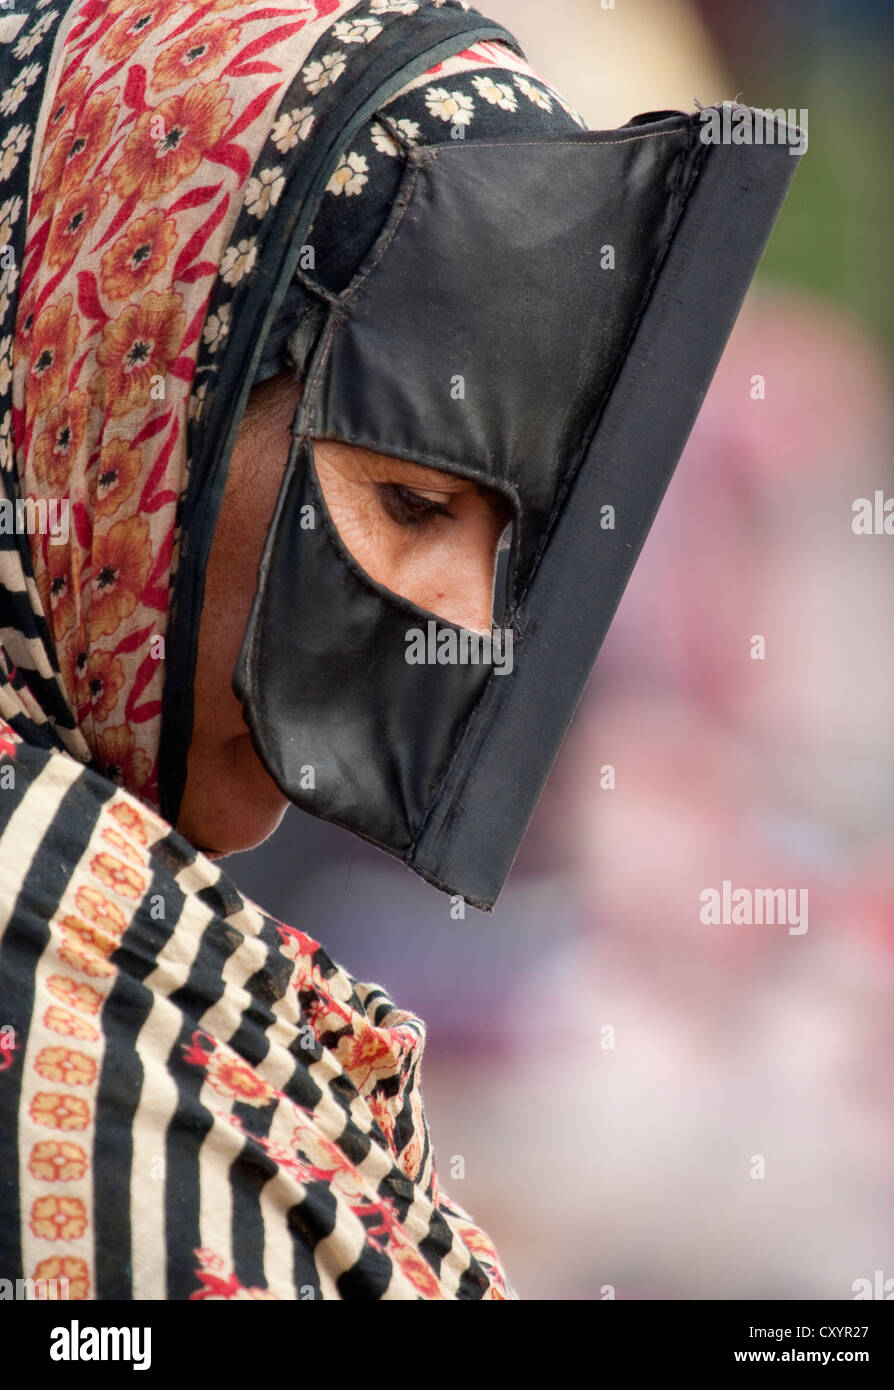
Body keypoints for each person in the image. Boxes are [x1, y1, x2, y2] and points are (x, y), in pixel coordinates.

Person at [0, 0, 586, 1301]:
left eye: (495, 544)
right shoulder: (51, 978)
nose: (442, 623)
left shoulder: (140, 942)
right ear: (121, 390)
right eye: (409, 504)